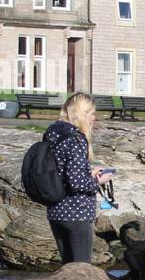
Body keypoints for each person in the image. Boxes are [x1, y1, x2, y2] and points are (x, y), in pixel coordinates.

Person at [44, 93, 113, 264]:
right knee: (81, 271)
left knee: (67, 270)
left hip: (55, 211)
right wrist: (99, 181)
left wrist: (89, 173)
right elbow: (76, 183)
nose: (93, 118)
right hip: (76, 213)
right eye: (90, 113)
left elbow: (62, 171)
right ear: (81, 114)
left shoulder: (53, 133)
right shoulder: (75, 138)